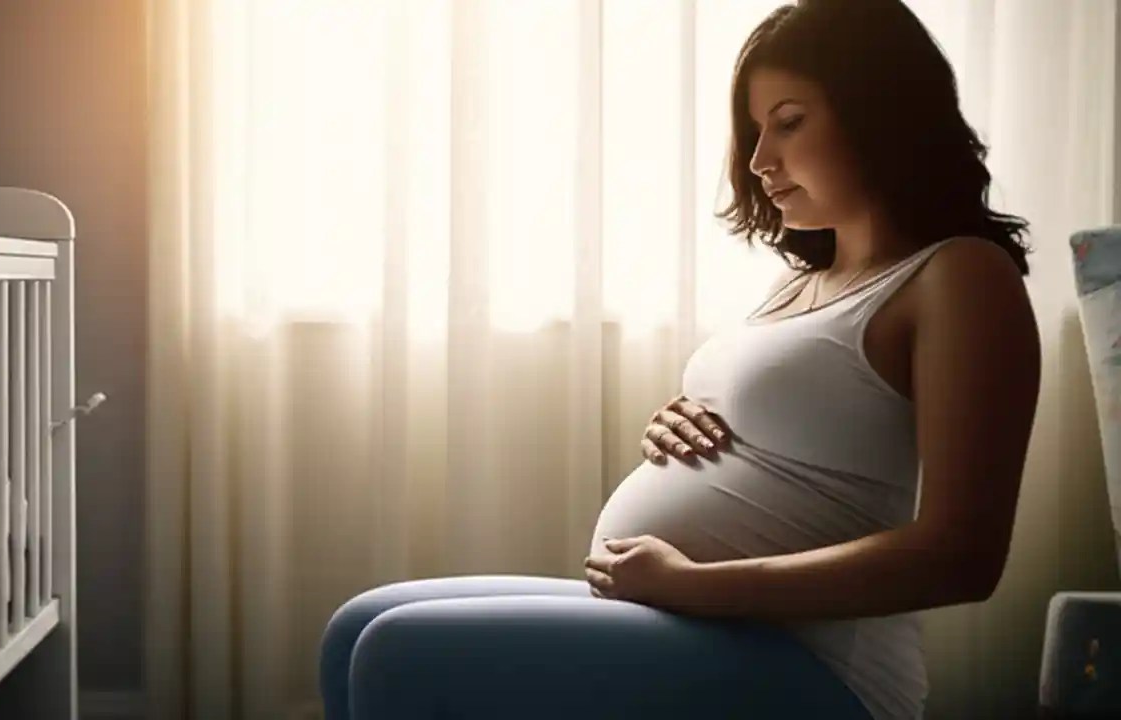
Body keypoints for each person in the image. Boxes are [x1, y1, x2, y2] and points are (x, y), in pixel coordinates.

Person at [319, 1, 1040, 718]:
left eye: (788, 123)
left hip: (810, 662)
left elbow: (963, 555)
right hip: (708, 623)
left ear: (881, 109)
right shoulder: (802, 282)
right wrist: (684, 429)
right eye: (755, 133)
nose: (759, 161)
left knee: (397, 649)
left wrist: (697, 584)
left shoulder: (960, 276)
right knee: (356, 627)